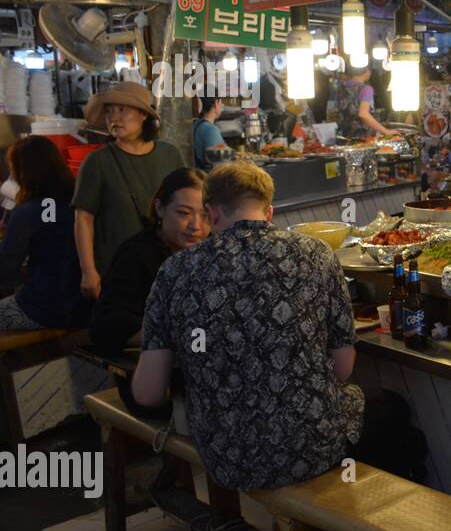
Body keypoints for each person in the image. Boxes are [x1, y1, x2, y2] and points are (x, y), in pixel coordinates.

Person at [132, 162, 422, 490]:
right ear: (269, 212)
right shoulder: (318, 255)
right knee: (391, 408)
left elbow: (147, 393)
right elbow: (343, 369)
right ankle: (368, 527)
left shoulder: (174, 272)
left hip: (226, 458)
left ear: (212, 214)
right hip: (312, 448)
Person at [73, 82, 185, 299]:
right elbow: (83, 218)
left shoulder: (169, 154)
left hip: (165, 264)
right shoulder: (97, 162)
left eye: (122, 109)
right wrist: (88, 271)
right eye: (109, 111)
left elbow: (185, 204)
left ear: (143, 114)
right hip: (117, 270)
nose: (114, 117)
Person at [90, 168, 208, 355]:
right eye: (184, 213)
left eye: (205, 215)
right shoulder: (137, 254)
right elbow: (106, 327)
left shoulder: (213, 253)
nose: (196, 226)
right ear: (159, 208)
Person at [0, 136, 84, 330]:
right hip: (82, 307)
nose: (11, 175)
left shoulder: (28, 211)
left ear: (24, 171)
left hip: (45, 310)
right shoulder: (77, 200)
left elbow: (5, 267)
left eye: (13, 168)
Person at [333, 66, 397, 140]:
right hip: (361, 139)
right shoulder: (366, 89)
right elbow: (363, 114)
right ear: (367, 70)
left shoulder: (340, 87)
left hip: (342, 136)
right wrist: (386, 131)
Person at [192, 95, 228, 171]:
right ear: (216, 103)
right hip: (209, 179)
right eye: (221, 102)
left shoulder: (196, 124)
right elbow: (219, 164)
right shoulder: (210, 130)